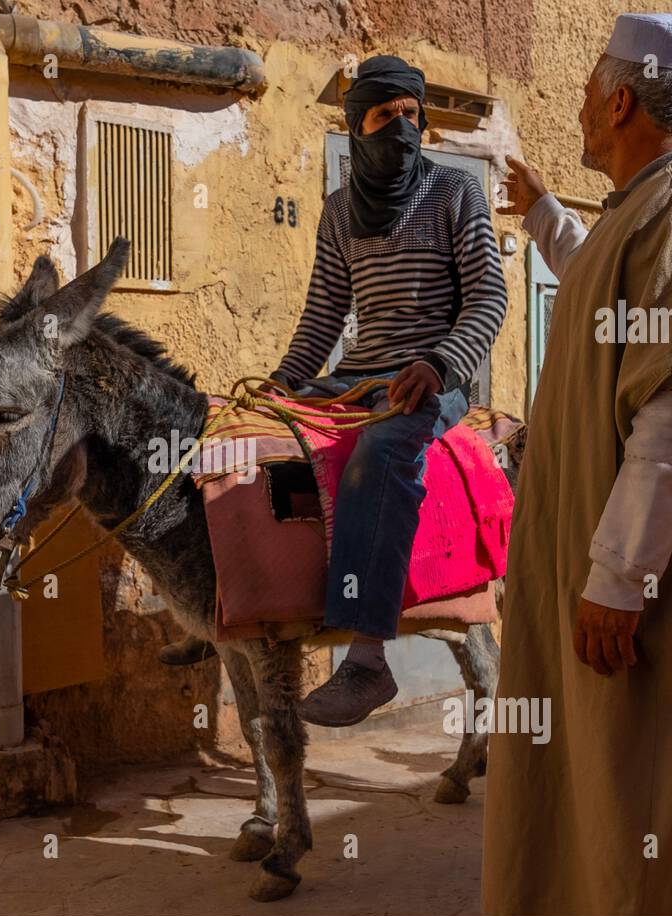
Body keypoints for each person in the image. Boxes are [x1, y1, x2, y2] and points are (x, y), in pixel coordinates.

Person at [484, 13, 672, 916]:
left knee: (637, 803)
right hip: (604, 585)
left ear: (620, 98)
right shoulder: (650, 208)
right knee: (594, 804)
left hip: (634, 605)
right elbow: (607, 295)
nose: (576, 108)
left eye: (584, 92)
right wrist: (540, 211)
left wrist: (617, 574)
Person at [161, 55, 508, 729]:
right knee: (236, 440)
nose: (402, 128)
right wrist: (277, 389)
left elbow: (489, 296)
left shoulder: (455, 194)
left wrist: (441, 363)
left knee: (381, 452)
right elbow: (323, 315)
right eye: (386, 115)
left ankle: (368, 657)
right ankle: (214, 610)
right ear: (358, 126)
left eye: (412, 115)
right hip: (357, 376)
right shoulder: (339, 210)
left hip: (435, 379)